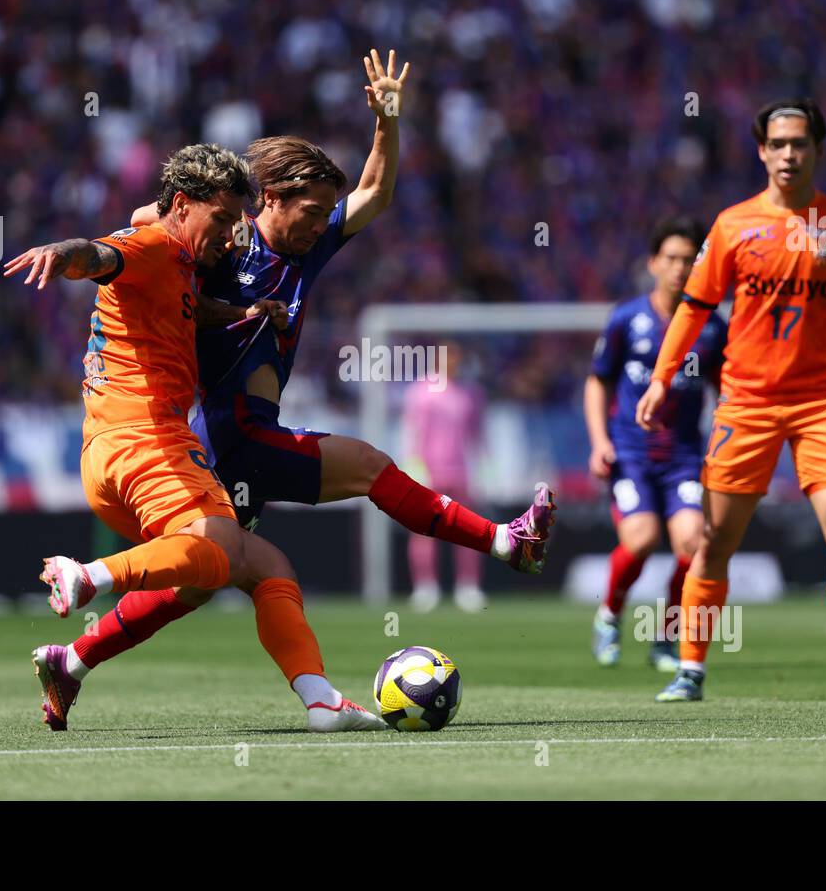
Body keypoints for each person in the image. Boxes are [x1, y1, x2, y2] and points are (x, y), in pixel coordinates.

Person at [40, 52, 554, 722]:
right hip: (229, 433)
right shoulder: (223, 250)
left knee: (218, 576)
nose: (320, 222)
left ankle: (73, 661)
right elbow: (152, 229)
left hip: (236, 446)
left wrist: (387, 122)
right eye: (308, 210)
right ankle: (504, 543)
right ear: (270, 199)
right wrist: (113, 243)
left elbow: (377, 193)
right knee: (367, 468)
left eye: (322, 213)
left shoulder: (306, 249)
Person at [4, 143, 383, 732]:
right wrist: (63, 253)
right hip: (148, 440)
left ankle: (320, 701)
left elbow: (191, 309)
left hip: (108, 453)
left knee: (263, 568)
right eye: (224, 219)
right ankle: (86, 576)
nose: (233, 234)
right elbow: (102, 254)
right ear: (182, 205)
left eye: (238, 220)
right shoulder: (155, 245)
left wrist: (245, 312)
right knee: (220, 553)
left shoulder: (179, 263)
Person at [636, 98, 826, 703]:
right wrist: (660, 376)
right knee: (714, 539)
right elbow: (695, 308)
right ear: (761, 151)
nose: (788, 154)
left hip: (822, 402)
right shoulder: (732, 226)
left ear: (817, 150)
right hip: (747, 404)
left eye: (799, 144)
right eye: (777, 144)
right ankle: (690, 669)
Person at [584, 216, 725, 670]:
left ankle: (664, 638)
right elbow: (597, 382)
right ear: (653, 263)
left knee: (694, 545)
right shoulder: (628, 319)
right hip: (630, 452)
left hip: (683, 455)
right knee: (642, 539)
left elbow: (727, 391)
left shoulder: (711, 327)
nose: (681, 268)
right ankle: (609, 615)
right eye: (672, 259)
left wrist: (726, 441)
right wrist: (599, 441)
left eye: (689, 259)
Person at [402, 342, 489, 612]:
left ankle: (468, 586)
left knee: (467, 529)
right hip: (430, 470)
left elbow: (478, 434)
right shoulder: (422, 391)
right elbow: (414, 432)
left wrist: (485, 468)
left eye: (456, 357)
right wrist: (414, 467)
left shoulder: (471, 393)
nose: (453, 362)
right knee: (424, 531)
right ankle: (426, 586)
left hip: (461, 471)